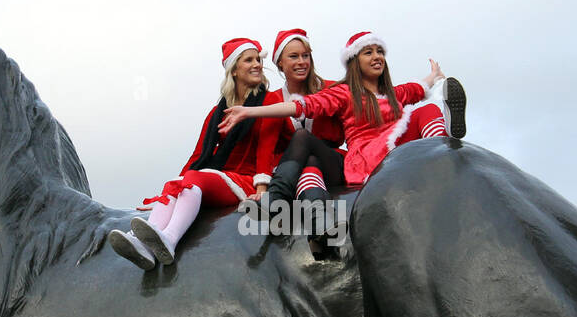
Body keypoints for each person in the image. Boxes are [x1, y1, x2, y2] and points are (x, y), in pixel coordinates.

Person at [108, 38, 290, 269]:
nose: (257, 64)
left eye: (258, 60)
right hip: (220, 178)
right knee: (177, 181)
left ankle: (170, 239)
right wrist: (173, 187)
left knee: (193, 178)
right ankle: (142, 244)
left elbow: (267, 144)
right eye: (249, 60)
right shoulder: (217, 112)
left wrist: (262, 187)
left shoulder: (269, 101)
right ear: (234, 70)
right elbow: (197, 156)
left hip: (247, 180)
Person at [219, 31, 466, 198]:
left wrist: (434, 76)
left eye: (379, 51)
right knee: (310, 164)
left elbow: (418, 88)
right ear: (355, 62)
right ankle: (297, 212)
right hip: (364, 156)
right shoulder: (343, 93)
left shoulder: (393, 93)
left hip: (394, 150)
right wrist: (249, 111)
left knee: (429, 109)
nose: (376, 56)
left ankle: (442, 149)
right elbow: (300, 106)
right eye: (368, 52)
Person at [258, 29, 346, 211]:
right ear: (280, 63)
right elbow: (266, 144)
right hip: (298, 169)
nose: (301, 62)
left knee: (303, 136)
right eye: (293, 56)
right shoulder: (273, 99)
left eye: (305, 56)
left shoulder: (332, 88)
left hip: (331, 162)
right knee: (310, 161)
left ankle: (276, 197)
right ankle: (319, 221)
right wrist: (261, 184)